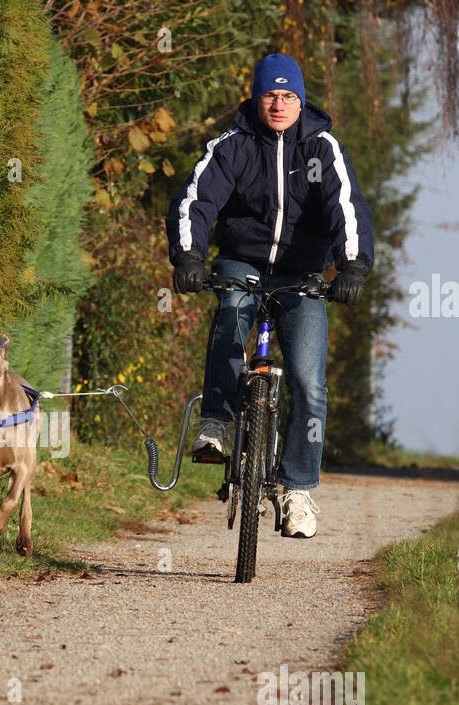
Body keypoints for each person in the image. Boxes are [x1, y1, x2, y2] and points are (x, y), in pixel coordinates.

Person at [165, 53, 374, 539]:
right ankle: (216, 422)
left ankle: (296, 487)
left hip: (302, 274)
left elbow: (348, 208)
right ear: (256, 99)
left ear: (301, 101)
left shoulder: (322, 150)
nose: (279, 105)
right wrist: (189, 258)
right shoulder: (234, 147)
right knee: (231, 315)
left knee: (307, 380)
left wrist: (353, 268)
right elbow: (195, 201)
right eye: (270, 96)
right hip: (243, 263)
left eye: (288, 96)